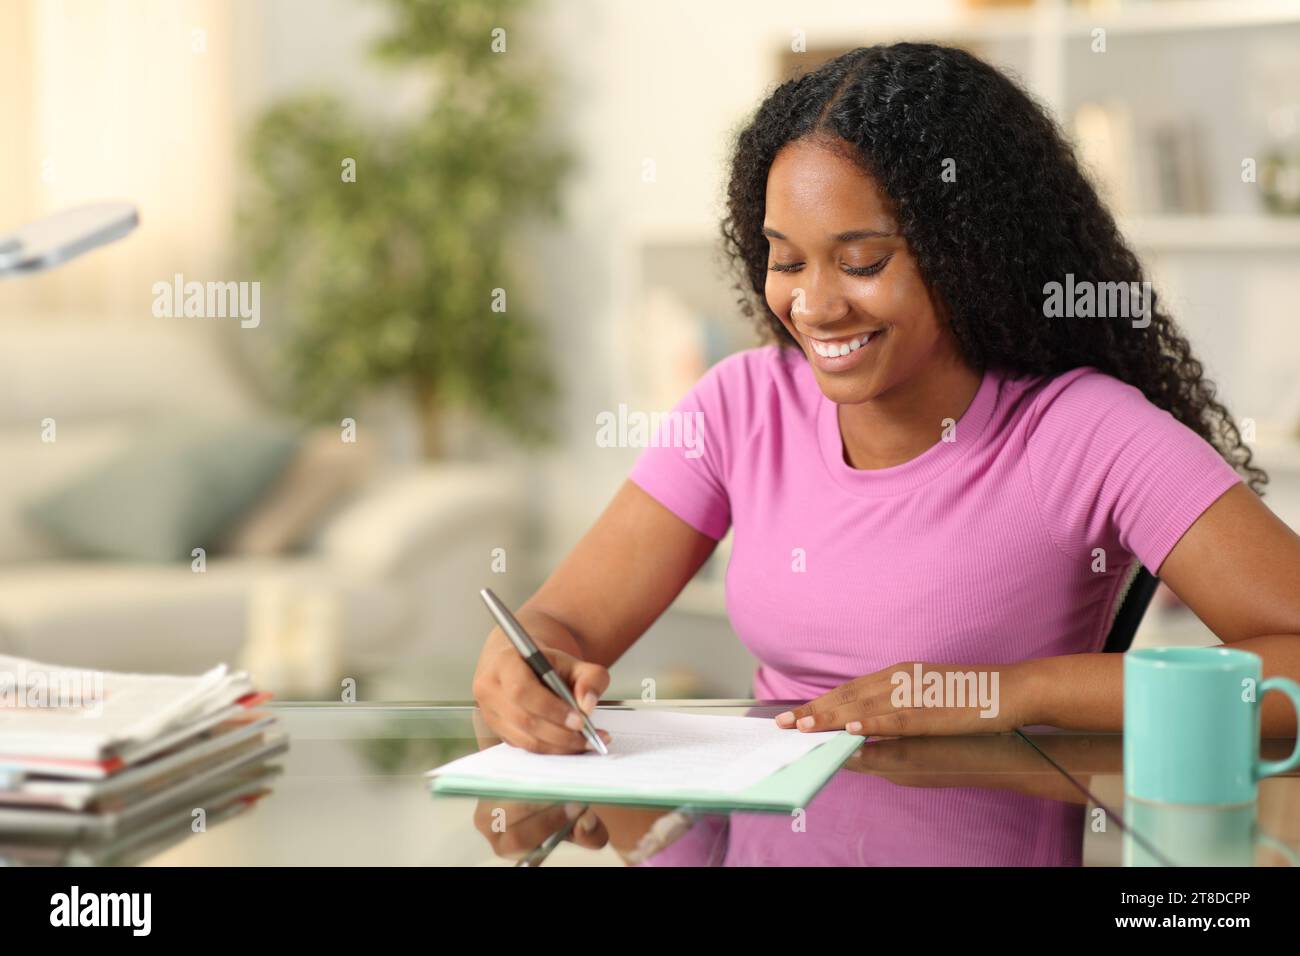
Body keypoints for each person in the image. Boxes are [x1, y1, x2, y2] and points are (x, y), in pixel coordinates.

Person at [472, 43, 1300, 753]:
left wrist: (1008, 692)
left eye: (863, 262)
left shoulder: (1084, 431)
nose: (816, 306)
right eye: (787, 262)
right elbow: (565, 626)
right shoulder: (740, 406)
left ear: (968, 252)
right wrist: (528, 668)